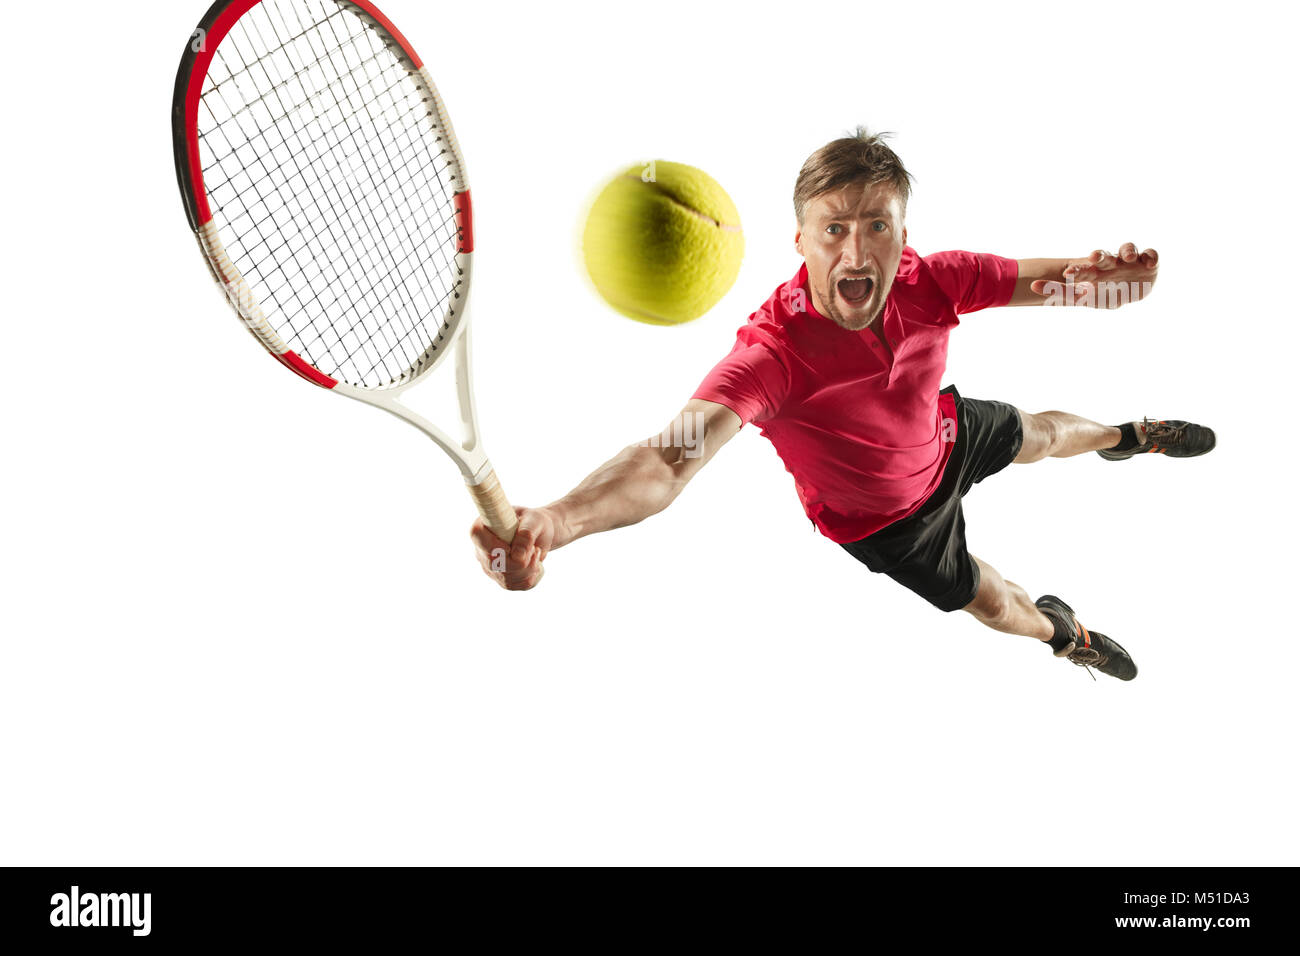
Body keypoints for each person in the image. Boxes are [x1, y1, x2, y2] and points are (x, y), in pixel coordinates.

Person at [470, 129, 1216, 681]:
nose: (856, 254)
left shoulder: (938, 279)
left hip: (943, 433)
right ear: (802, 240)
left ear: (901, 235)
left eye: (877, 227)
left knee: (1045, 435)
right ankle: (1064, 634)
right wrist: (557, 523)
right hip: (887, 522)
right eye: (835, 230)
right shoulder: (774, 356)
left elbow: (1083, 284)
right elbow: (666, 460)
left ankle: (1127, 436)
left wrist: (1127, 284)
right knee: (992, 603)